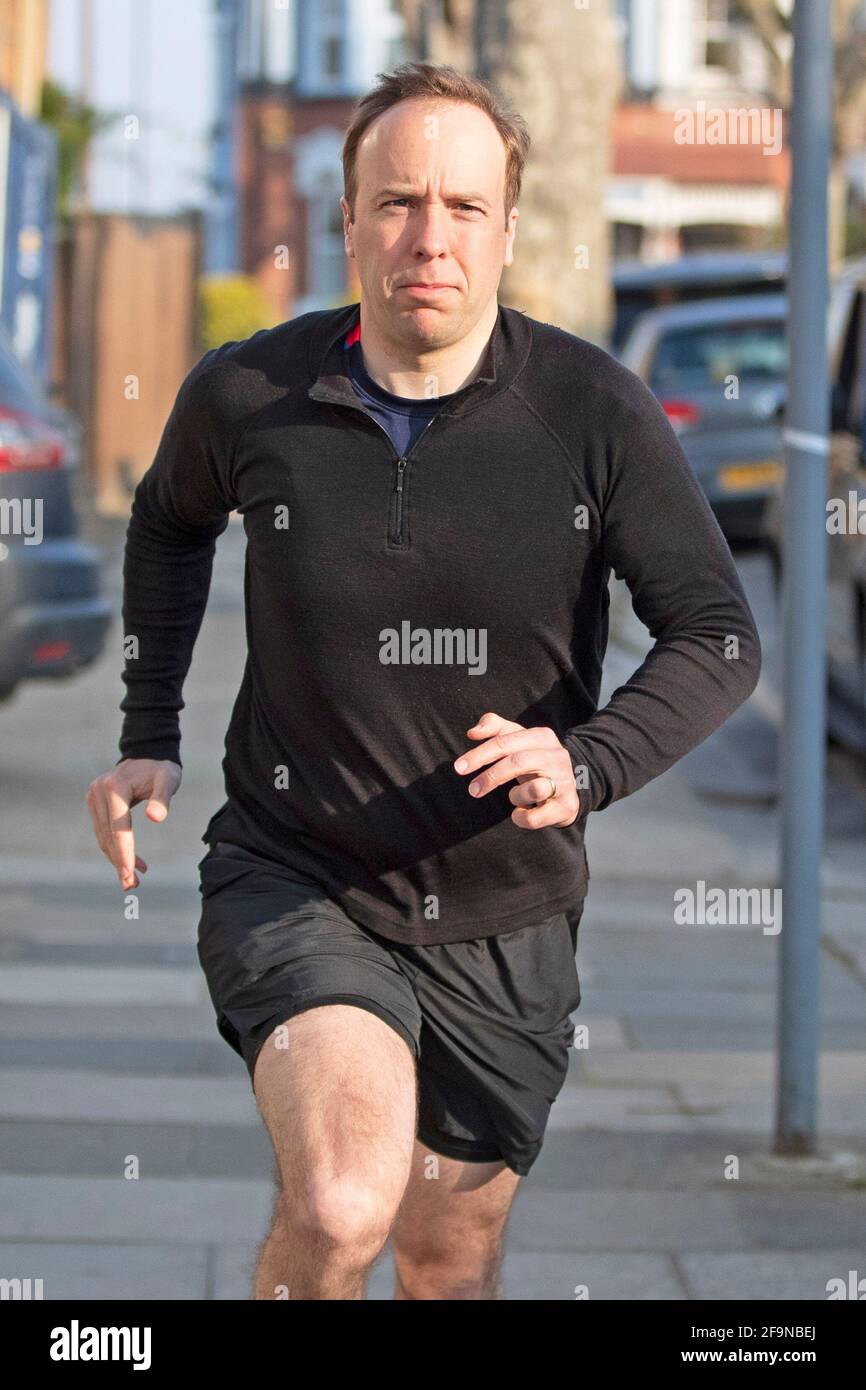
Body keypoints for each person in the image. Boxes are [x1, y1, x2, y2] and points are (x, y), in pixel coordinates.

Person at [86, 61, 761, 1300]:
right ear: (346, 220)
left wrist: (587, 758)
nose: (426, 238)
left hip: (504, 908)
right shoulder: (249, 394)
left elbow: (716, 633)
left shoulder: (590, 411)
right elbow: (167, 523)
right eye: (396, 203)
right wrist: (149, 727)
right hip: (298, 874)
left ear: (506, 226)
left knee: (446, 1257)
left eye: (460, 207)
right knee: (343, 1203)